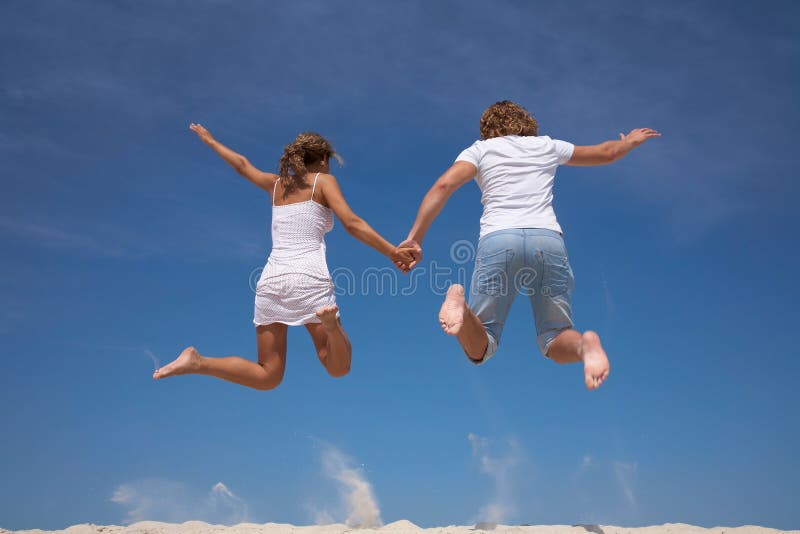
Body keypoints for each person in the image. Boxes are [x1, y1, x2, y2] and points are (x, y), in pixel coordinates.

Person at [398, 101, 660, 390]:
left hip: (499, 239)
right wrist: (629, 142)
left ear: (487, 127)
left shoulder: (480, 150)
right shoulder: (546, 146)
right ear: (527, 122)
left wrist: (415, 237)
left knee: (481, 345)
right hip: (546, 239)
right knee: (554, 336)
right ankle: (583, 346)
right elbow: (606, 152)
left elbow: (443, 186)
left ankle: (461, 304)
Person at [153, 125, 414, 390]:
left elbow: (242, 165)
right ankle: (331, 327)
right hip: (308, 279)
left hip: (271, 282)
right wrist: (392, 251)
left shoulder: (276, 184)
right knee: (338, 367)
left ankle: (199, 362)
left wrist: (211, 142)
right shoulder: (323, 181)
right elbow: (352, 224)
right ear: (323, 160)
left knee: (268, 376)